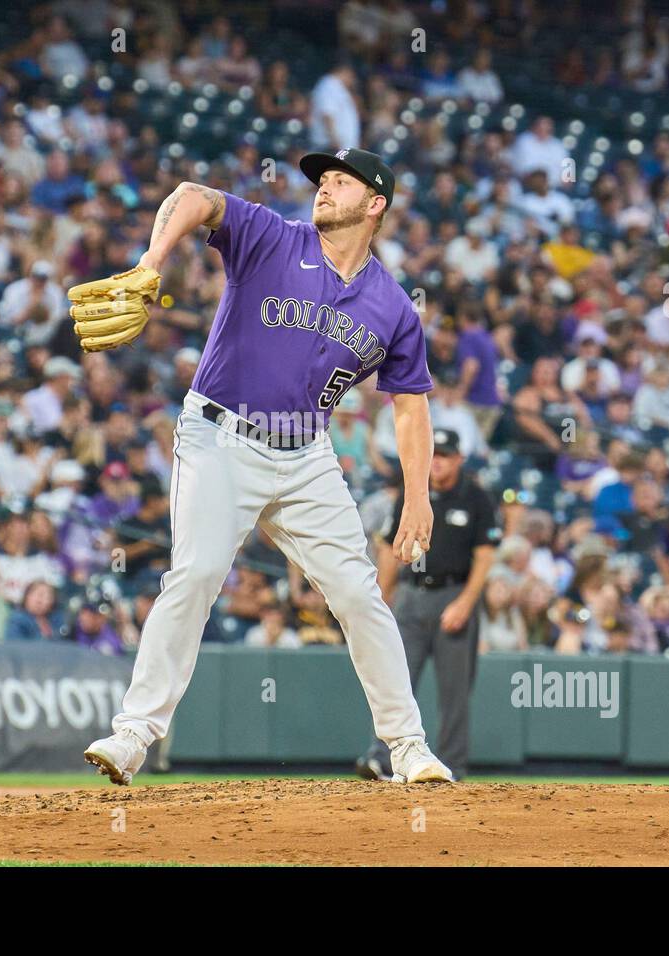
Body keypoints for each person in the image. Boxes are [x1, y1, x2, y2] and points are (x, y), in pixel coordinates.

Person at [83, 148, 456, 785]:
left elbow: (410, 407)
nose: (325, 188)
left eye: (342, 182)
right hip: (220, 437)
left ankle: (409, 748)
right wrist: (153, 258)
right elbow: (194, 194)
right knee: (196, 574)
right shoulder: (271, 238)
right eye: (323, 180)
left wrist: (417, 495)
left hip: (307, 455)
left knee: (361, 597)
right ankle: (132, 735)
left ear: (376, 206)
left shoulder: (393, 305)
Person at [356, 428, 496, 781]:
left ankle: (452, 767)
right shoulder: (412, 493)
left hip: (454, 594)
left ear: (460, 459)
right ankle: (382, 759)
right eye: (434, 455)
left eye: (446, 456)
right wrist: (384, 594)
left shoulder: (476, 496)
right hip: (411, 595)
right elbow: (389, 546)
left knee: (455, 693)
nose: (438, 463)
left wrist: (466, 602)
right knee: (394, 679)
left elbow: (485, 555)